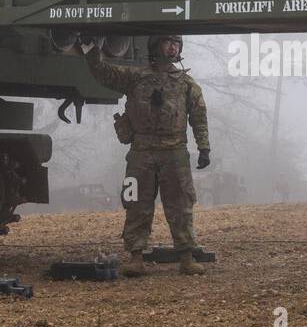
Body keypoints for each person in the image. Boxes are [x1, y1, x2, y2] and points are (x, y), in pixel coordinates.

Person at [82, 34, 211, 277]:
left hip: (175, 152)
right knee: (136, 204)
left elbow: (199, 116)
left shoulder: (186, 83)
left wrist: (204, 147)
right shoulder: (136, 78)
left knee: (181, 204)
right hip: (141, 151)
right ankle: (136, 257)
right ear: (156, 46)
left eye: (176, 43)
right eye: (168, 42)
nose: (172, 47)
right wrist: (91, 51)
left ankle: (186, 257)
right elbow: (105, 74)